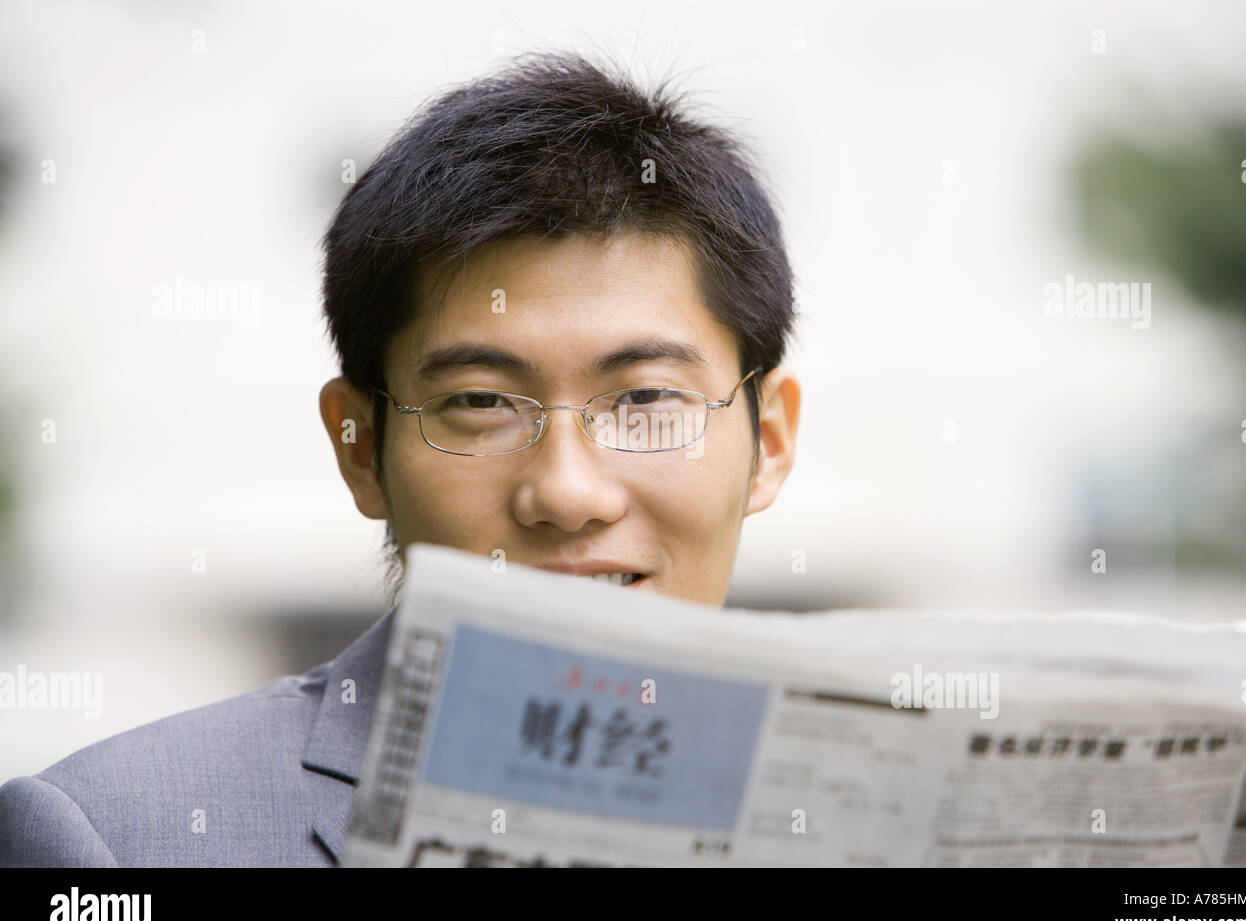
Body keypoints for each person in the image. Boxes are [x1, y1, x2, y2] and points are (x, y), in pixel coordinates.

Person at [0, 52, 801, 866]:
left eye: (642, 399)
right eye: (483, 402)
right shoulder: (116, 839)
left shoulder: (905, 827)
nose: (567, 491)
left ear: (769, 439)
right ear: (360, 446)